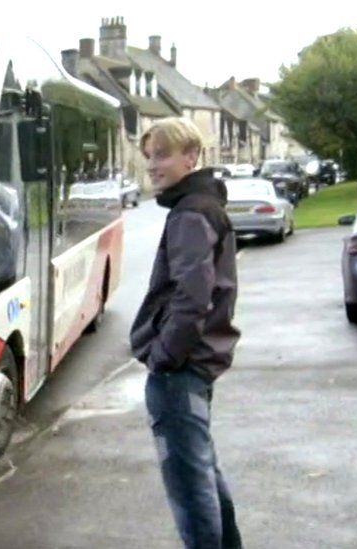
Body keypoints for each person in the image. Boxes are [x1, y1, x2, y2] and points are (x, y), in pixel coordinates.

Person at [129, 117, 243, 549]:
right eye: (148, 157)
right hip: (195, 365)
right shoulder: (201, 206)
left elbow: (192, 297)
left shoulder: (191, 213)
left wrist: (164, 357)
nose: (152, 166)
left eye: (161, 155)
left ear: (191, 156)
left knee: (191, 489)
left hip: (181, 370)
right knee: (203, 472)